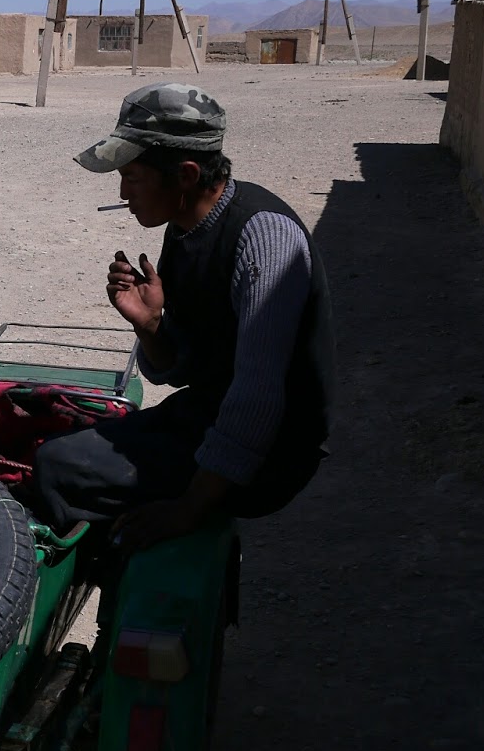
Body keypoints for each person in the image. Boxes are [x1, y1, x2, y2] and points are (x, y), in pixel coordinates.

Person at [31, 82, 334, 551]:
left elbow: (259, 397)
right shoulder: (185, 226)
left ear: (186, 174)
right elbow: (192, 368)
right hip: (209, 414)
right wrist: (150, 324)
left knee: (60, 468)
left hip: (271, 450)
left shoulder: (265, 239)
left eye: (132, 176)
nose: (123, 192)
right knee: (50, 445)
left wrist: (190, 507)